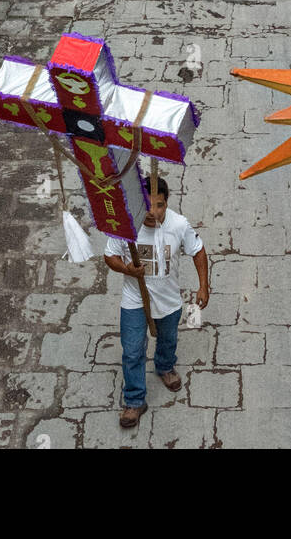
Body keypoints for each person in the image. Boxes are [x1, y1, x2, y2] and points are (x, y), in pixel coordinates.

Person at [105, 176, 209, 429]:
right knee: (132, 351)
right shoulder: (124, 226)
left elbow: (198, 251)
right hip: (135, 300)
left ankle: (164, 367)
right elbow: (110, 256)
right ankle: (134, 400)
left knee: (168, 339)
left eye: (159, 205)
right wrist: (127, 269)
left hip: (168, 298)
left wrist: (203, 285)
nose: (153, 212)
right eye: (147, 205)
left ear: (167, 203)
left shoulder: (179, 224)